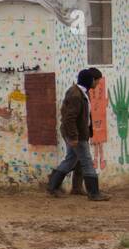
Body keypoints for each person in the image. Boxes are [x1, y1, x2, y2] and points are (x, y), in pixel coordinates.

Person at [47, 68, 110, 201]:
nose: (97, 83)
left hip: (77, 133)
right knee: (87, 162)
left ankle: (53, 186)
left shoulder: (80, 92)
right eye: (96, 80)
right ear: (90, 80)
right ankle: (93, 192)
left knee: (71, 159)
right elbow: (70, 118)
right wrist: (74, 136)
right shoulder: (76, 95)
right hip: (76, 134)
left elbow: (84, 116)